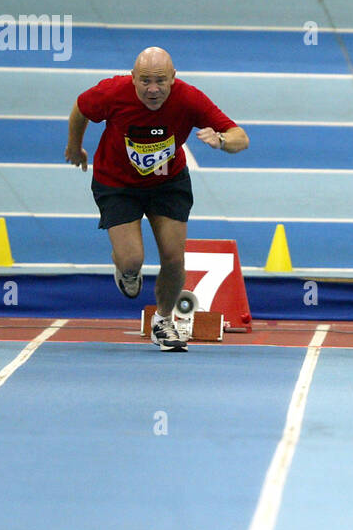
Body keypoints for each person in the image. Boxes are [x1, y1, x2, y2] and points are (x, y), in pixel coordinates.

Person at [65, 47, 248, 352]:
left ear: (173, 79)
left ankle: (163, 321)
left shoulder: (189, 98)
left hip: (168, 184)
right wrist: (75, 146)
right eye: (145, 81)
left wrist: (222, 140)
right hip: (117, 184)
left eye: (160, 81)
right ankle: (126, 269)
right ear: (133, 78)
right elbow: (81, 109)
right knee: (132, 258)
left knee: (174, 258)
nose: (153, 89)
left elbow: (241, 137)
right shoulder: (111, 92)